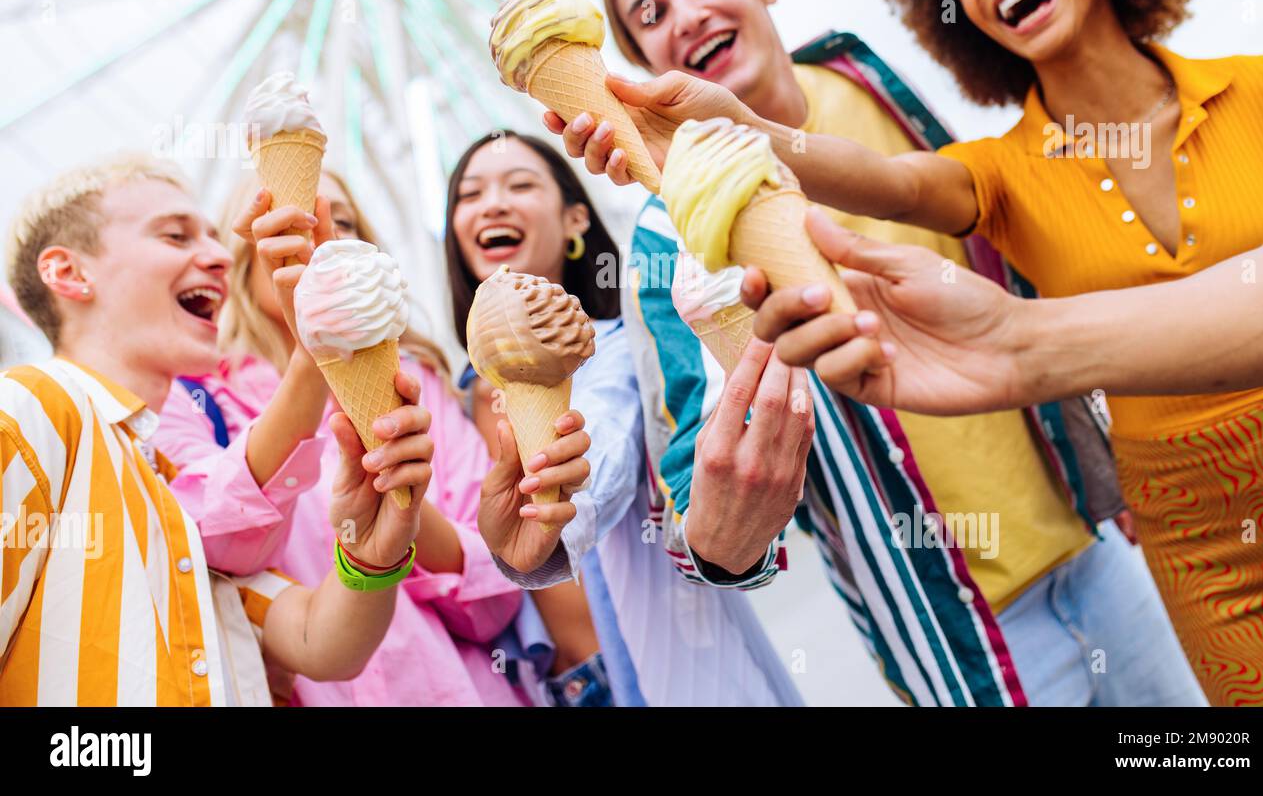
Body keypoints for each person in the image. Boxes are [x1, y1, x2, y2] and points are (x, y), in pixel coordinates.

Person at [569, 0, 1263, 706]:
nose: (683, 15)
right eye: (649, 12)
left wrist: (1103, 477)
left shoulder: (864, 79)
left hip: (1098, 555)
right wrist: (726, 538)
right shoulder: (664, 241)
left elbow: (1009, 265)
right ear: (639, 57)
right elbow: (705, 505)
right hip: (961, 629)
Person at [746, 0, 1263, 414]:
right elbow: (894, 184)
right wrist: (737, 132)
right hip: (1168, 502)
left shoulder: (1261, 89)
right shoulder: (999, 173)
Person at [0, 156, 433, 705]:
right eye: (176, 236)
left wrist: (370, 553)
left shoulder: (174, 474)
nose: (220, 257)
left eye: (212, 237)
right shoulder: (30, 408)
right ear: (69, 273)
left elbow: (320, 643)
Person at [154, 170, 587, 706]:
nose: (318, 243)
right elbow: (210, 546)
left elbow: (497, 593)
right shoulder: (187, 396)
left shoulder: (418, 380)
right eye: (293, 223)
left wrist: (402, 510)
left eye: (340, 225)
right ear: (245, 253)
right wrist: (314, 359)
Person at [448, 129, 804, 706]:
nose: (494, 203)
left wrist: (561, 505)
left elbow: (604, 442)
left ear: (575, 223)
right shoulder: (452, 397)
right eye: (470, 194)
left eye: (520, 185)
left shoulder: (618, 350)